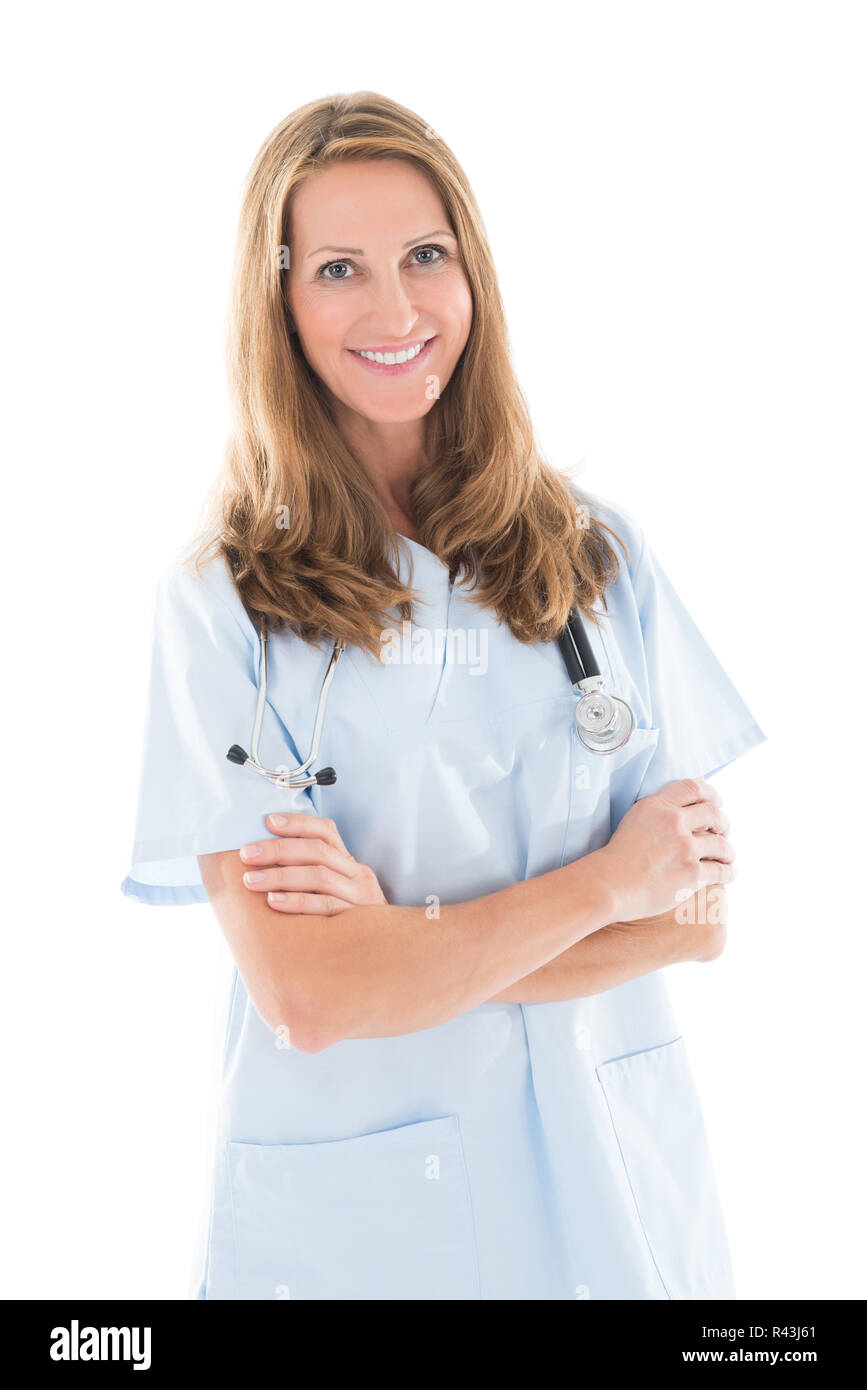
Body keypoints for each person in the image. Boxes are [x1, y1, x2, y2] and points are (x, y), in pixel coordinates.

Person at [121, 92, 766, 1300]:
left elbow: (696, 919)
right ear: (279, 304)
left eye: (426, 255)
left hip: (614, 1208)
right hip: (365, 1235)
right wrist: (603, 887)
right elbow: (310, 995)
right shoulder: (225, 606)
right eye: (338, 269)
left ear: (473, 272)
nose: (396, 309)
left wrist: (403, 945)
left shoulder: (594, 554)